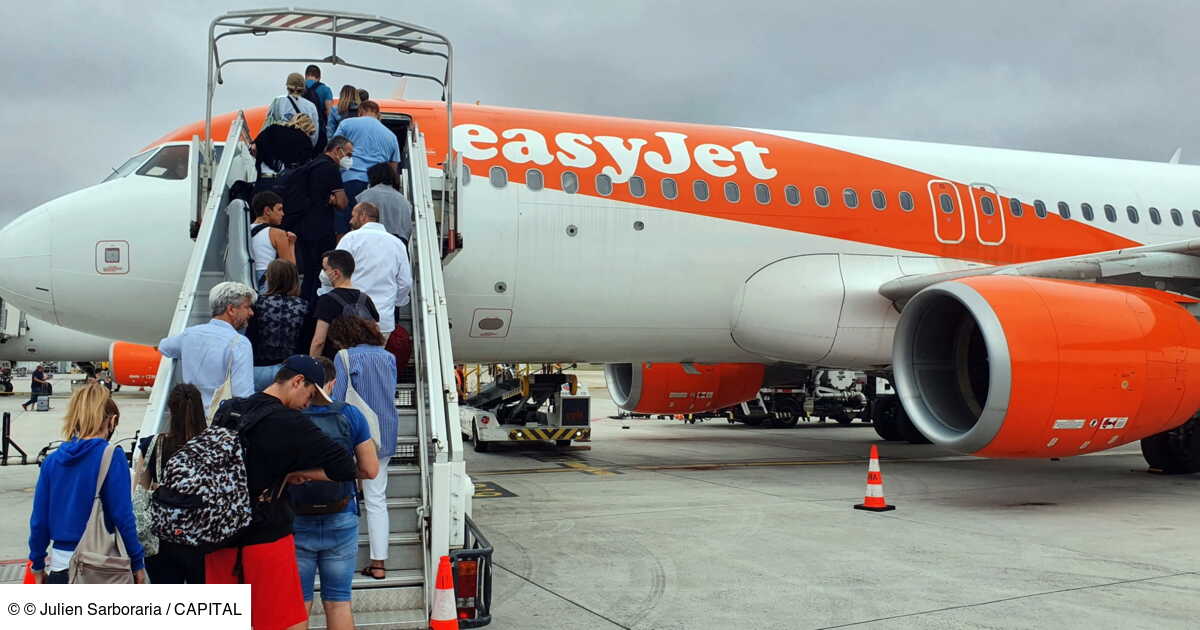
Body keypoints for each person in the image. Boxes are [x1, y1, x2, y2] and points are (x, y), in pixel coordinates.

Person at [204, 355, 357, 630]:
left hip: (220, 534)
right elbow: (345, 467)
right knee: (277, 621)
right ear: (298, 381)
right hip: (266, 537)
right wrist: (295, 473)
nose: (308, 405)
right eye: (310, 396)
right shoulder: (288, 421)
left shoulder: (230, 409)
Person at [28, 383, 146, 584]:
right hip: (100, 566)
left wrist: (37, 563)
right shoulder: (111, 456)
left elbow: (39, 521)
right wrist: (137, 562)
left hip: (60, 568)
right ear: (112, 421)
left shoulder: (52, 461)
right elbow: (123, 516)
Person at [292, 356, 379, 629]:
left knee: (297, 603)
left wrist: (302, 475)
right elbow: (370, 469)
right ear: (331, 383)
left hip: (295, 518)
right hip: (341, 515)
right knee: (339, 601)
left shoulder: (288, 416)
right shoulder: (350, 414)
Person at [326, 316, 397, 580]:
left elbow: (337, 399)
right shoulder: (388, 356)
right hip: (386, 432)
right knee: (377, 498)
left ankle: (340, 560)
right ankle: (378, 564)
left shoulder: (345, 357)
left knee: (345, 496)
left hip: (356, 432)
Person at [140, 384, 207, 584]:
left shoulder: (153, 444)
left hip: (163, 539)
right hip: (202, 537)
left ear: (170, 411)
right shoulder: (211, 446)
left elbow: (140, 491)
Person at [157, 281, 255, 412]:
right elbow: (243, 394)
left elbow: (164, 347)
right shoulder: (239, 343)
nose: (251, 313)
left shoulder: (189, 334)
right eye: (247, 307)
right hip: (219, 420)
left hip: (190, 416)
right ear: (231, 310)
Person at [333, 202, 411, 339]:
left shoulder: (350, 239)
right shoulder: (397, 244)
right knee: (377, 359)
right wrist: (396, 301)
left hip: (352, 317)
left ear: (363, 216)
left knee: (351, 358)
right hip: (383, 319)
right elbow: (405, 282)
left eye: (353, 216)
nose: (350, 221)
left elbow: (332, 271)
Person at [290, 137, 353, 303]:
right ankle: (315, 310)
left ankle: (304, 306)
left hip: (303, 226)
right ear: (337, 150)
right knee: (320, 273)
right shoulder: (331, 168)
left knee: (309, 273)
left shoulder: (312, 165)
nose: (349, 159)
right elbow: (342, 202)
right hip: (321, 229)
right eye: (348, 154)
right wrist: (333, 199)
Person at [331, 100, 401, 236]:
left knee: (343, 227)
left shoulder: (347, 124)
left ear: (360, 112)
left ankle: (340, 253)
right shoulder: (391, 136)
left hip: (348, 181)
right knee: (368, 229)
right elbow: (393, 168)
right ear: (378, 114)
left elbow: (333, 149)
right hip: (375, 188)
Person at [247, 260, 310, 391]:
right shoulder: (304, 306)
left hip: (258, 367)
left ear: (270, 278)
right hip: (291, 369)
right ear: (294, 279)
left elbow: (250, 336)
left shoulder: (258, 303)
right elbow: (305, 341)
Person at [310, 250, 380, 359]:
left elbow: (319, 341)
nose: (323, 273)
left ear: (336, 273)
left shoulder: (326, 300)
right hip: (363, 361)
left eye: (325, 269)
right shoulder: (366, 299)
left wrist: (313, 366)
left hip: (337, 363)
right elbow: (376, 331)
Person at [253, 116, 316, 192]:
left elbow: (254, 147)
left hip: (263, 178)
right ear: (308, 129)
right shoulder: (306, 143)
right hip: (285, 183)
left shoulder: (273, 129)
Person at [250, 191, 297, 292]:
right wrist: (292, 244)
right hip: (268, 280)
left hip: (247, 278)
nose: (283, 214)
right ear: (267, 210)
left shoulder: (244, 230)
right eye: (279, 209)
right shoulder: (277, 233)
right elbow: (290, 268)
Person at [356, 163, 413, 244]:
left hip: (371, 241)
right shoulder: (405, 202)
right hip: (398, 245)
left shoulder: (364, 196)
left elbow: (357, 223)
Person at [265, 73, 320, 147]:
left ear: (287, 87)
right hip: (303, 149)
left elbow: (268, 125)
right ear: (303, 89)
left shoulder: (278, 102)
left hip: (281, 148)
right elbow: (314, 135)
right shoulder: (311, 106)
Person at [302, 65, 334, 153]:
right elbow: (329, 113)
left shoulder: (299, 89)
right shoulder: (325, 90)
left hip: (300, 129)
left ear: (306, 75)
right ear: (319, 77)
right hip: (318, 131)